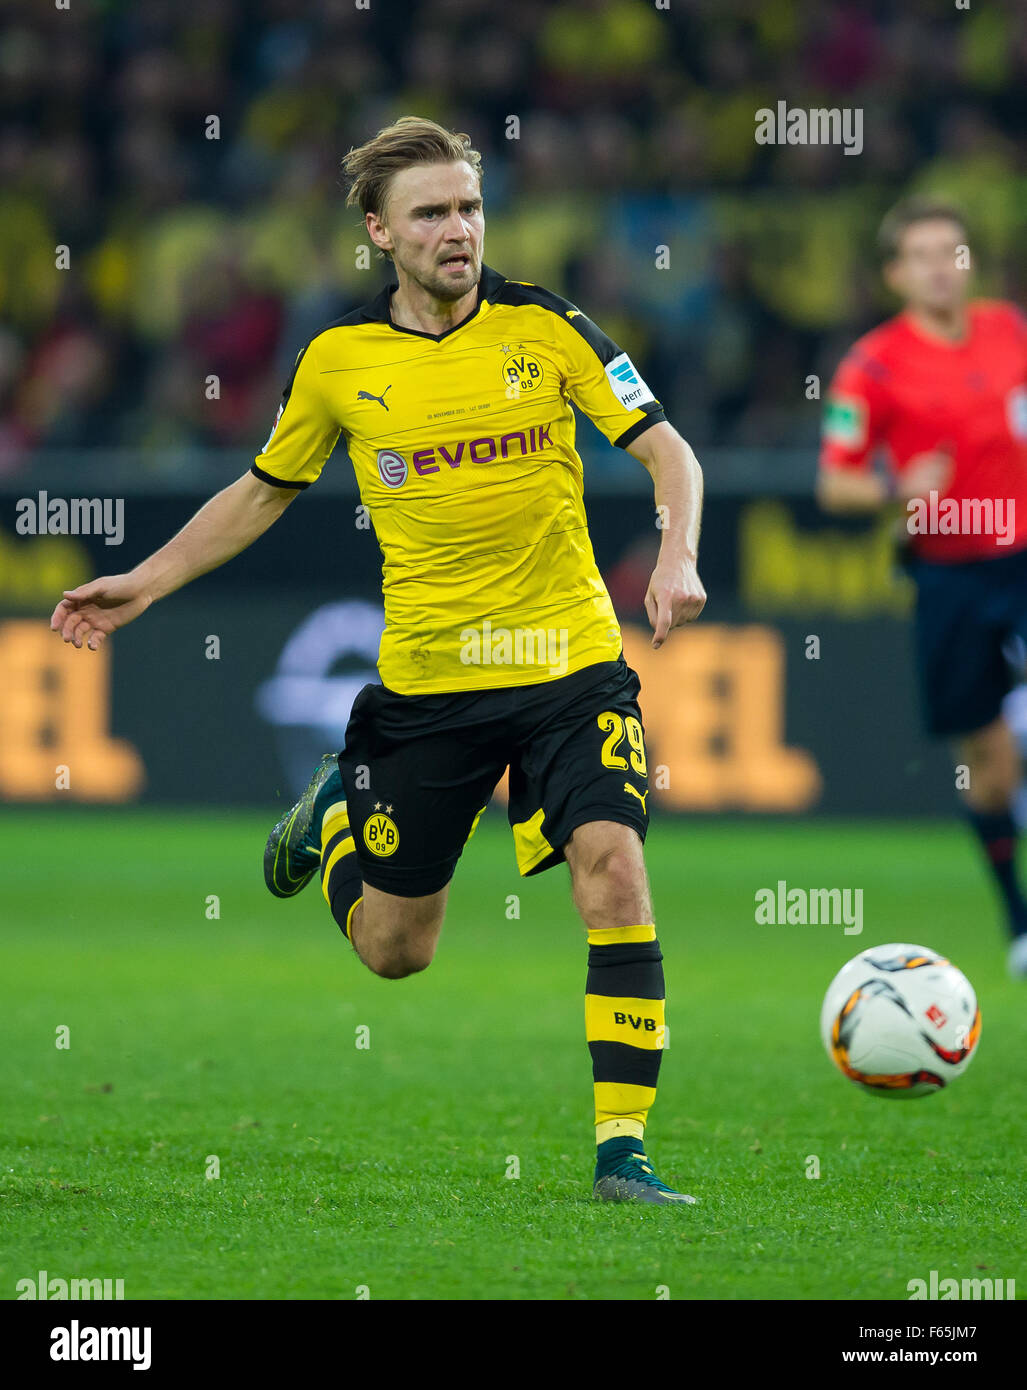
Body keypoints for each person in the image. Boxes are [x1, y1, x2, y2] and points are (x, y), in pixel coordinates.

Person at [50, 117, 707, 1200]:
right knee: (397, 951)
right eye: (432, 214)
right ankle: (339, 814)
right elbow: (262, 489)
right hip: (429, 691)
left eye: (469, 209)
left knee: (615, 867)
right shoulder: (339, 363)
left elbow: (665, 448)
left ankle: (621, 1151)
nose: (459, 231)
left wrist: (676, 556)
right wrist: (148, 581)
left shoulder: (548, 328)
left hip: (569, 664)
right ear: (379, 233)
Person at [817, 195, 1027, 978]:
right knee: (984, 756)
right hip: (945, 573)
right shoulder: (870, 367)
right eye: (923, 256)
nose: (941, 268)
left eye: (954, 251)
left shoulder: (1011, 330)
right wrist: (894, 486)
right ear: (895, 273)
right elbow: (835, 485)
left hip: (1023, 553)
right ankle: (1015, 916)